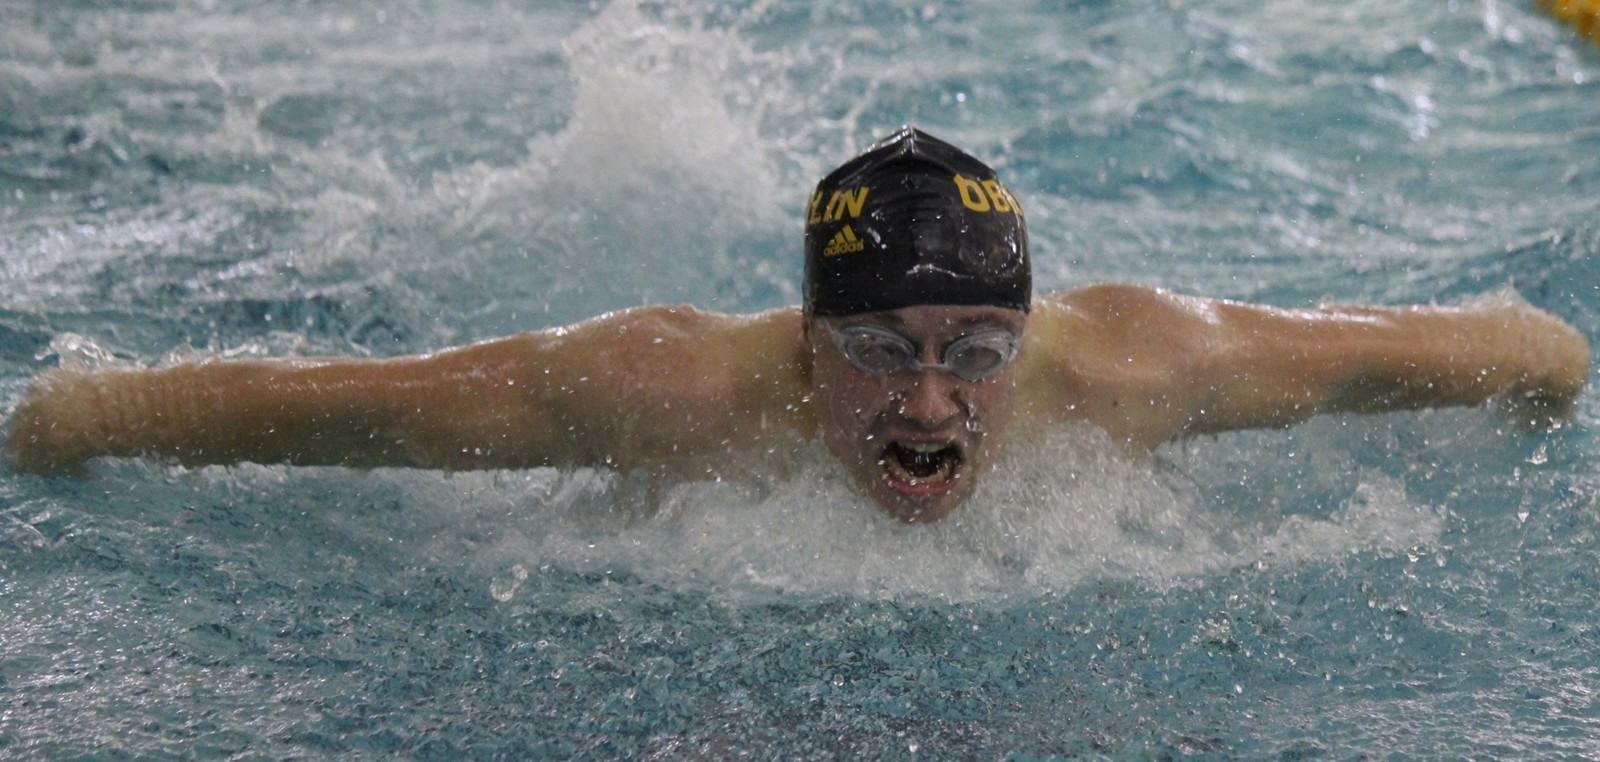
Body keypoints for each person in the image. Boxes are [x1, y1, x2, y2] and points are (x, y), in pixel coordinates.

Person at [2, 128, 1590, 522]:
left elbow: (1432, 350)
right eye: (881, 346)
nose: (934, 398)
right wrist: (75, 421)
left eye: (976, 348)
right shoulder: (662, 389)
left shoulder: (1145, 365)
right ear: (799, 342)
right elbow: (350, 406)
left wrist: (1550, 373)